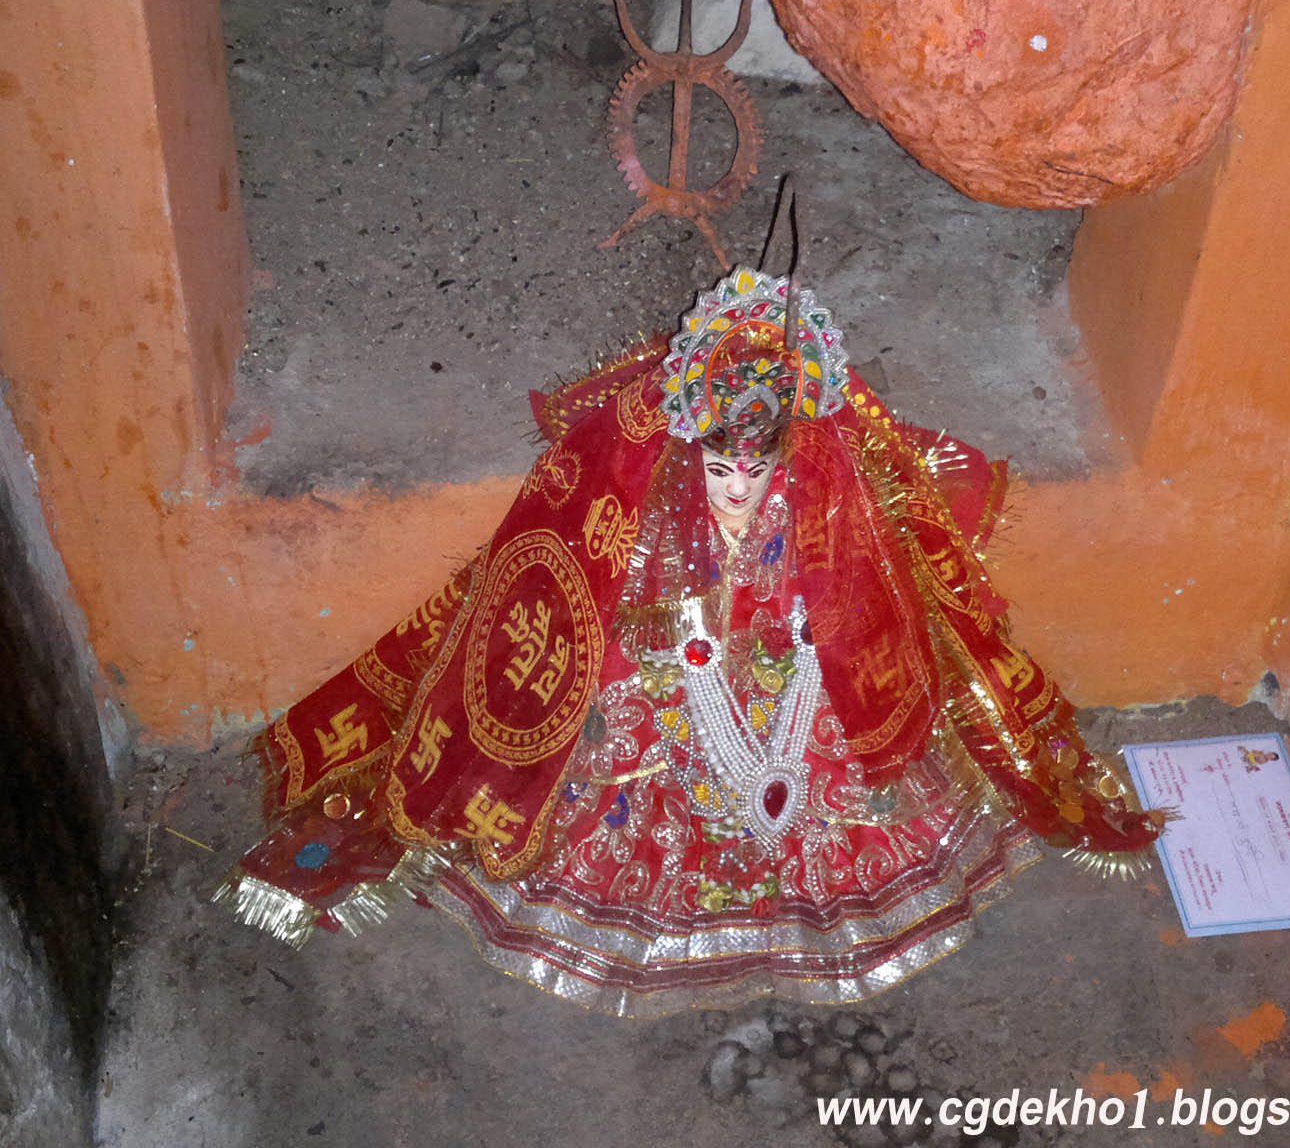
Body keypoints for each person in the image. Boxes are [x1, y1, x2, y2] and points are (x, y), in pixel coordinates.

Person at [216, 265, 1163, 1014]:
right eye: (718, 467)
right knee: (620, 736)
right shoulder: (644, 514)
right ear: (685, 450)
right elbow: (592, 631)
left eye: (761, 469)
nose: (738, 494)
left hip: (796, 685)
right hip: (671, 689)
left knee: (837, 732)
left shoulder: (833, 513)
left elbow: (866, 626)